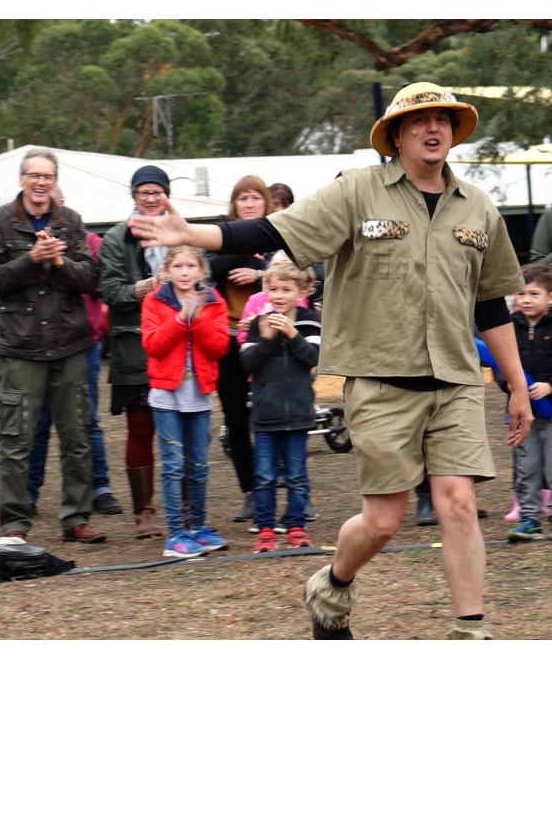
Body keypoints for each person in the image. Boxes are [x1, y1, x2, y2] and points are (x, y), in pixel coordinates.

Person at [127, 82, 531, 640]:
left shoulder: (478, 207)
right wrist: (193, 232)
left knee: (458, 502)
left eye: (443, 119)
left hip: (456, 379)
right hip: (381, 382)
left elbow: (491, 303)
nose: (432, 128)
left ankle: (469, 630)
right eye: (418, 121)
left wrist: (515, 383)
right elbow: (275, 230)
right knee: (384, 521)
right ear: (395, 134)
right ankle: (334, 584)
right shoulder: (357, 192)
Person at [0, 148, 105, 543]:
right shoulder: (0, 221)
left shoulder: (70, 222)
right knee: (16, 440)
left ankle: (76, 519)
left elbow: (89, 278)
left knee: (76, 437)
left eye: (48, 176)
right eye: (34, 175)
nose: (40, 182)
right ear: (21, 179)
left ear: (55, 181)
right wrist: (32, 258)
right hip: (20, 347)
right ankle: (15, 524)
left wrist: (59, 264)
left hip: (69, 344)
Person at [27, 185, 121, 516]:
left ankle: (100, 486)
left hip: (83, 343)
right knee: (38, 422)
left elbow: (98, 282)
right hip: (37, 347)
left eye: (58, 203)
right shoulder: (23, 240)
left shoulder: (90, 241)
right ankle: (28, 494)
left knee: (86, 420)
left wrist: (60, 259)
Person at [141, 245, 229, 558]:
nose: (184, 272)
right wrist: (180, 318)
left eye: (191, 266)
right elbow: (153, 345)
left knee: (199, 465)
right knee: (174, 465)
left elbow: (219, 346)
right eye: (177, 266)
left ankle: (198, 528)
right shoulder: (154, 301)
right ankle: (176, 535)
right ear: (165, 271)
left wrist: (199, 316)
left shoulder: (214, 302)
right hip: (166, 396)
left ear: (201, 271)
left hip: (200, 395)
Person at [98, 166, 171, 539]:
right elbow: (109, 289)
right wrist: (147, 286)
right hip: (136, 345)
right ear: (134, 196)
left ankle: (186, 505)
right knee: (140, 427)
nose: (151, 197)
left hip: (180, 346)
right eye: (144, 191)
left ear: (167, 196)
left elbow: (202, 276)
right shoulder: (115, 238)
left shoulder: (182, 231)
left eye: (157, 191)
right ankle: (144, 512)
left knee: (182, 428)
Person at [240, 258, 320, 553]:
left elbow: (313, 358)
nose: (278, 295)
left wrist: (291, 333)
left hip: (298, 413)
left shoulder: (310, 320)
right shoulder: (258, 325)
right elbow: (247, 362)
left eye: (286, 289)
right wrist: (268, 339)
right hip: (265, 414)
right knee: (263, 477)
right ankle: (265, 529)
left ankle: (296, 526)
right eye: (273, 289)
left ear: (300, 292)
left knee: (297, 476)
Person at [206, 176, 271, 523]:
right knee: (235, 418)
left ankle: (286, 489)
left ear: (265, 203)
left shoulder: (279, 235)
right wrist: (243, 256)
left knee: (273, 416)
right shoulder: (220, 237)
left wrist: (259, 273)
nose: (248, 203)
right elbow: (203, 269)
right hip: (227, 338)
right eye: (242, 198)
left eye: (254, 198)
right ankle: (251, 492)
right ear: (234, 205)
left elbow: (300, 277)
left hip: (268, 338)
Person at [495, 264, 552, 541]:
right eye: (522, 293)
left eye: (535, 293)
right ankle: (530, 519)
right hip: (522, 415)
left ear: (550, 298)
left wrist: (550, 385)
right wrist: (507, 384)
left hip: (551, 414)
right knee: (526, 467)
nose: (527, 299)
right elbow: (497, 362)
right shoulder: (508, 328)